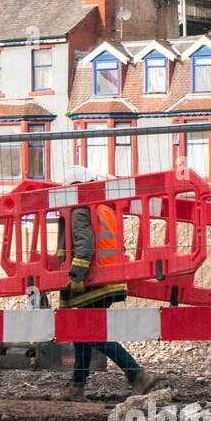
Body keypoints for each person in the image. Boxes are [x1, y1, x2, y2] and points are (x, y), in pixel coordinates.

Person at [56, 166, 161, 402]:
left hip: (94, 283)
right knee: (81, 333)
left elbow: (85, 244)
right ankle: (77, 387)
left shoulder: (80, 209)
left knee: (91, 333)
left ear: (73, 188)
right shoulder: (104, 208)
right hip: (108, 279)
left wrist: (75, 276)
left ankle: (137, 375)